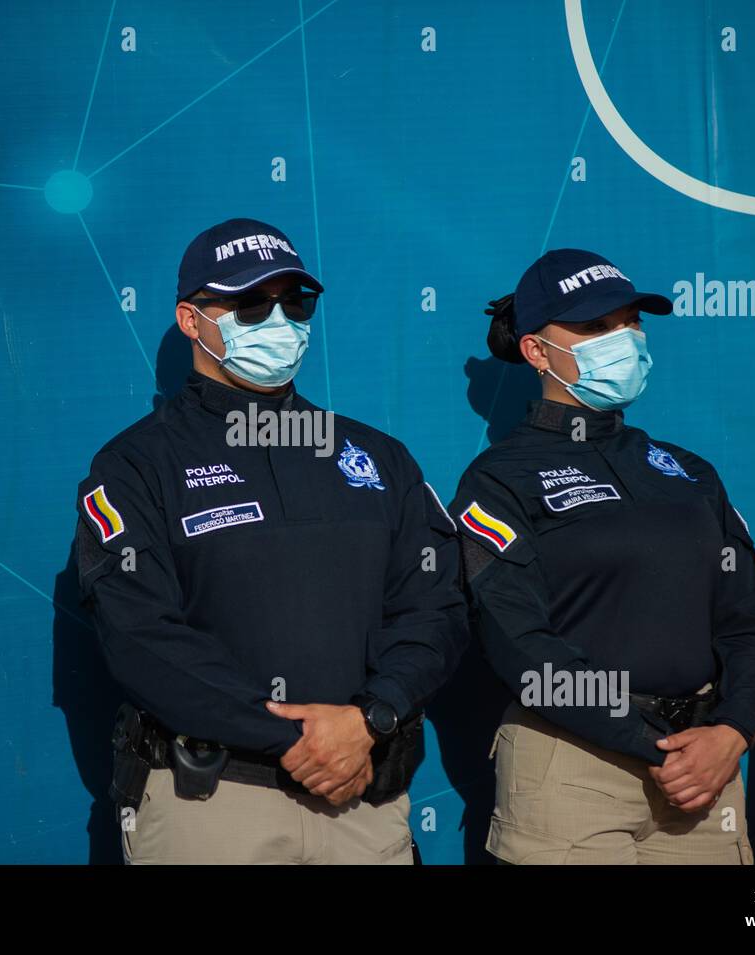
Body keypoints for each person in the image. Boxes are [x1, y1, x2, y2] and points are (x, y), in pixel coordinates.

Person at [75, 217, 468, 864]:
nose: (279, 318)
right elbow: (139, 631)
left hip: (361, 797)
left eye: (296, 301)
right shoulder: (136, 465)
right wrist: (286, 735)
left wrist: (371, 717)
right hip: (215, 805)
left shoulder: (377, 457)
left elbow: (437, 607)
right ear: (190, 319)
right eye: (250, 302)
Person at [449, 248, 755, 864]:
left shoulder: (688, 472)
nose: (622, 339)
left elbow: (749, 620)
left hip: (704, 770)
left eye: (630, 321)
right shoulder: (499, 479)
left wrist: (733, 730)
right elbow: (520, 642)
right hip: (576, 768)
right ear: (536, 352)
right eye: (596, 327)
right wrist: (651, 743)